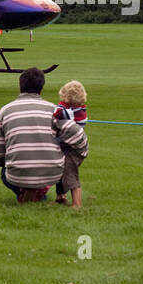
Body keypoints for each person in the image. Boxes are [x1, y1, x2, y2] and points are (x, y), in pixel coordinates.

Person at [0, 67, 85, 202]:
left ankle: (30, 193)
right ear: (42, 88)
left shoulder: (5, 111)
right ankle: (37, 192)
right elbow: (79, 135)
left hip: (17, 174)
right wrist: (78, 155)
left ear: (20, 86)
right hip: (53, 172)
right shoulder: (54, 111)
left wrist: (9, 162)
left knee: (6, 173)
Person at [52, 80, 89, 208]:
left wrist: (58, 107)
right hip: (67, 146)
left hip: (74, 149)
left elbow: (57, 113)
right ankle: (61, 196)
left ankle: (77, 203)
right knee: (61, 171)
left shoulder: (78, 112)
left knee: (70, 173)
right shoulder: (74, 109)